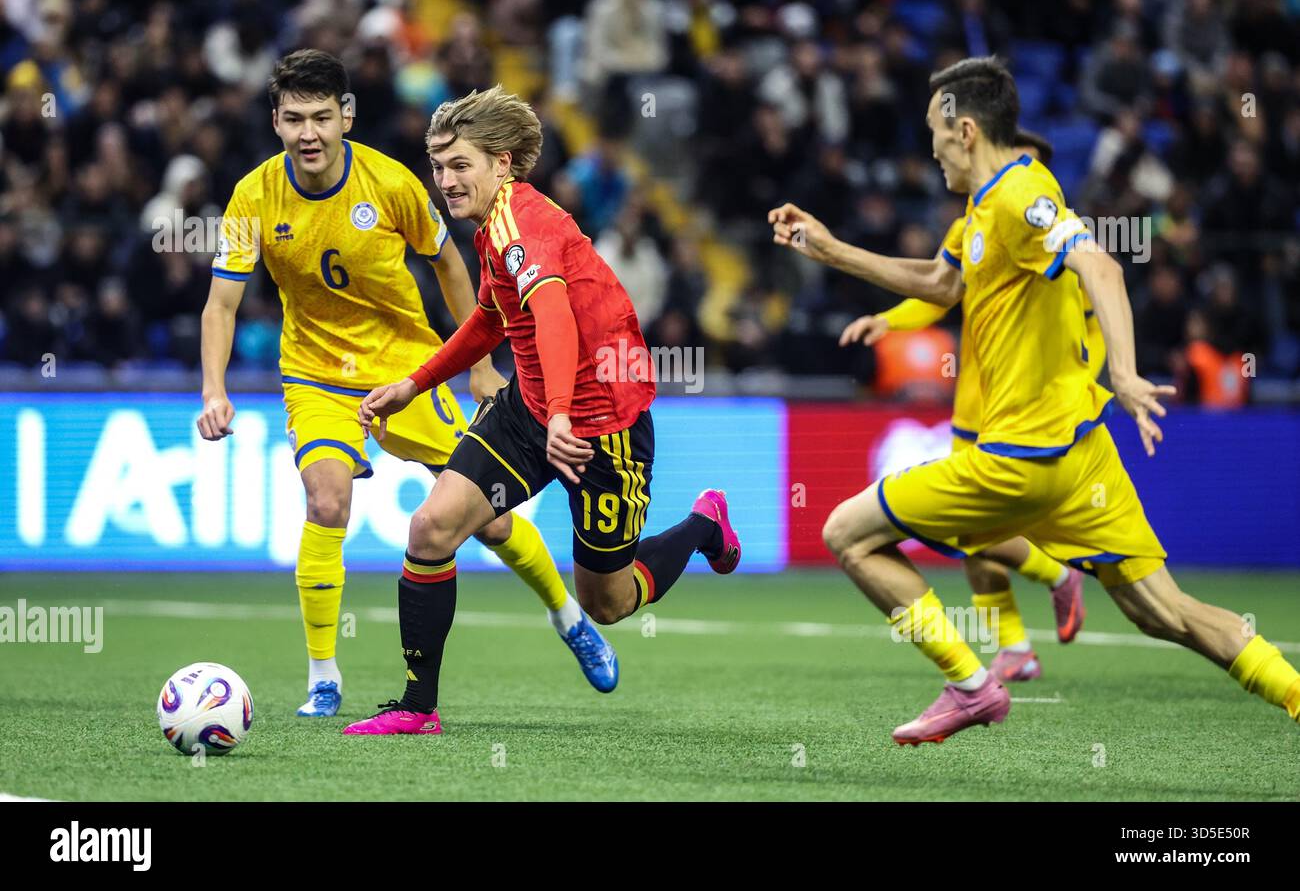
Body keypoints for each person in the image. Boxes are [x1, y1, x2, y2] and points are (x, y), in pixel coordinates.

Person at [769, 56, 1300, 745]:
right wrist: (832, 249)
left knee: (845, 532)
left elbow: (1101, 265)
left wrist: (1128, 375)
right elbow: (939, 282)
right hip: (1082, 460)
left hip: (1020, 458)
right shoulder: (980, 211)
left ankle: (971, 685)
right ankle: (1293, 691)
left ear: (963, 129)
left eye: (932, 129)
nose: (928, 148)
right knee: (1164, 613)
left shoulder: (1022, 197)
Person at [197, 50, 614, 719]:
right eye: (295, 119)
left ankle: (569, 616)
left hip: (407, 371)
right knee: (326, 502)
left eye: (323, 118)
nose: (309, 133)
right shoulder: (252, 196)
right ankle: (324, 677)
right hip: (314, 375)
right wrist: (213, 390)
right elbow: (220, 304)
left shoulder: (390, 184)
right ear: (275, 122)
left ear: (347, 118)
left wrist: (478, 361)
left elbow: (450, 265)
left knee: (493, 522)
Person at [344, 85, 741, 735]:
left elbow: (553, 313)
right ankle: (418, 707)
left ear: (503, 163)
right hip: (533, 407)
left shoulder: (522, 223)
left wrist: (562, 414)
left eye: (459, 164)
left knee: (608, 602)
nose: (445, 180)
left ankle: (703, 523)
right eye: (439, 167)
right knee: (431, 528)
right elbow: (490, 322)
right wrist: (415, 384)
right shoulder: (492, 228)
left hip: (603, 424)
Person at [838, 130, 1091, 684]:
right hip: (974, 402)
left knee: (967, 529)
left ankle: (1054, 575)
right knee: (971, 534)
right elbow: (939, 288)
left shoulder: (1051, 236)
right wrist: (890, 320)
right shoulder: (973, 225)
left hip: (1021, 411)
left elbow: (1088, 315)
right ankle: (1015, 645)